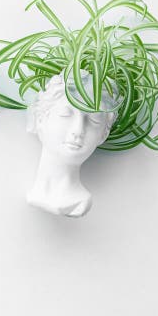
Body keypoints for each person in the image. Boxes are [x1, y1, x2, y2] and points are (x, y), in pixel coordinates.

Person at [25, 75, 117, 217]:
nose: (78, 130)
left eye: (94, 120)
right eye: (65, 114)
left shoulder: (79, 202)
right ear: (41, 118)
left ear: (104, 134)